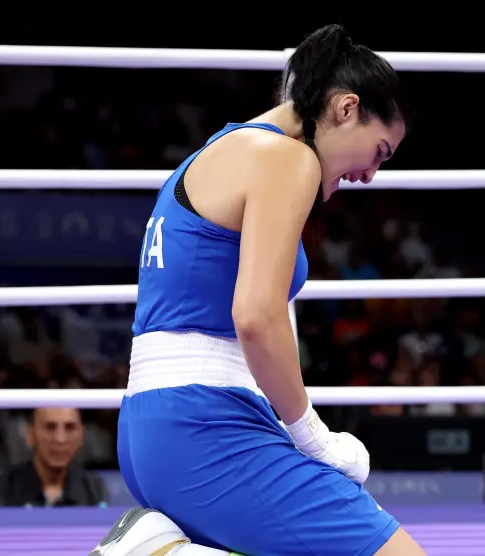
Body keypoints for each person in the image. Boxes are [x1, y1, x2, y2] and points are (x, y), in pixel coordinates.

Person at [93, 24, 420, 556]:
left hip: (158, 428)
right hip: (204, 426)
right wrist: (315, 438)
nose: (370, 175)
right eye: (380, 151)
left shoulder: (219, 150)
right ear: (345, 108)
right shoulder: (288, 158)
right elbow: (255, 316)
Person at [0, 408, 108, 508]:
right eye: (50, 427)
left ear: (81, 435)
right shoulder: (3, 486)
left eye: (70, 427)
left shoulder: (93, 487)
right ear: (31, 435)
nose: (60, 439)